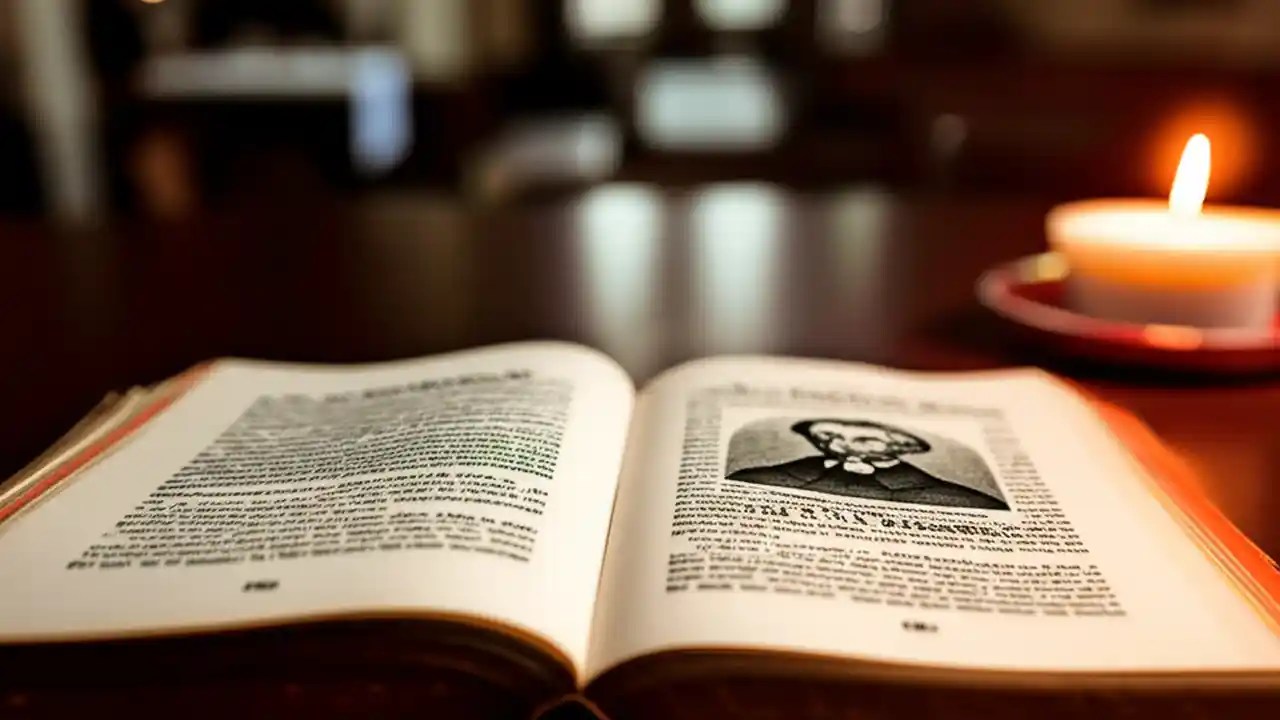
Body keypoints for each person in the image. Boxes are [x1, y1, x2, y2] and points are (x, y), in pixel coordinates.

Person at [728, 419, 1008, 510]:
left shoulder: (961, 501)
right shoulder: (754, 479)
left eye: (866, 440)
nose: (841, 445)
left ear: (904, 447)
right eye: (827, 436)